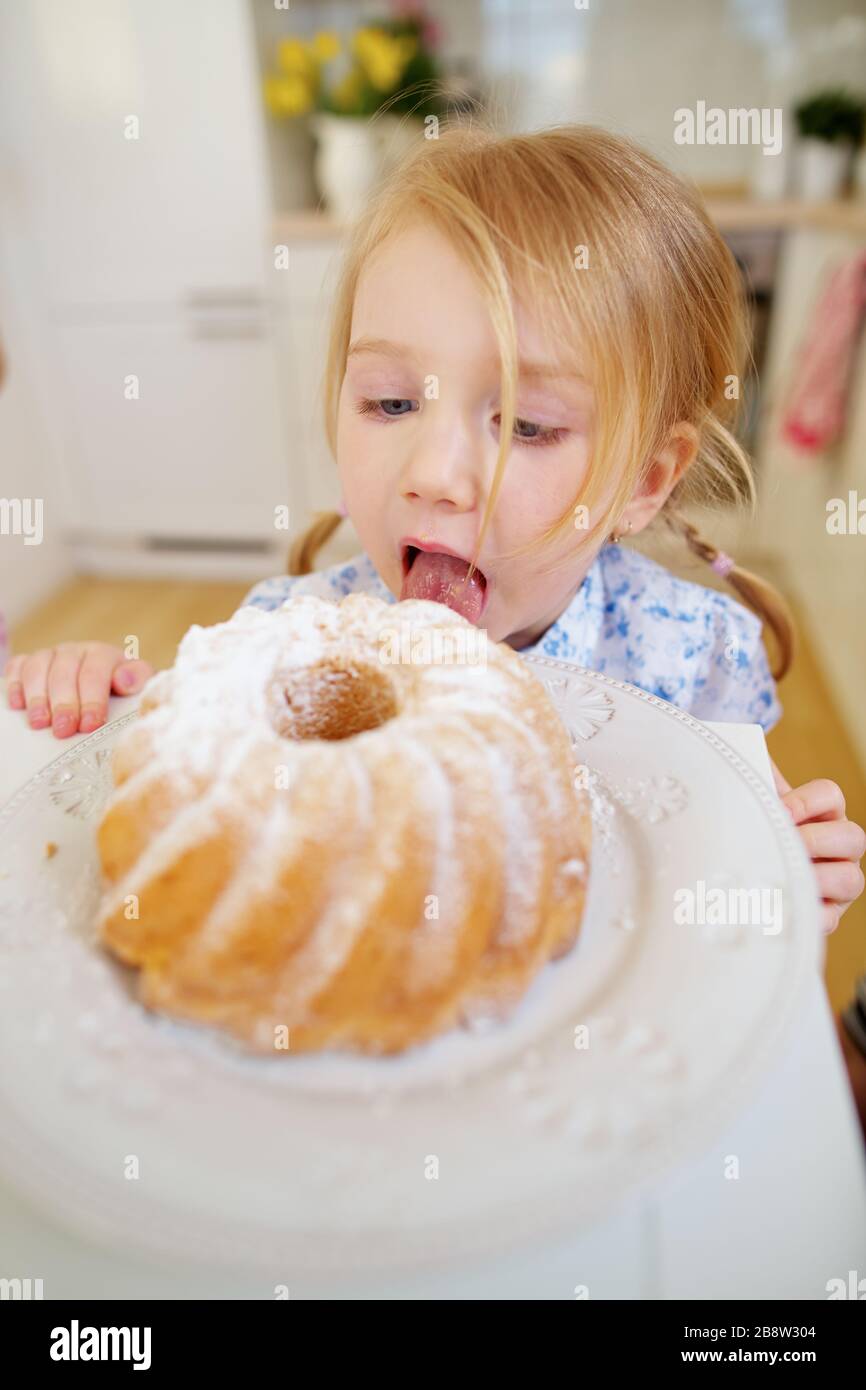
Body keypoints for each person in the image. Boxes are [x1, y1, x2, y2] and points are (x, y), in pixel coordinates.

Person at [4, 122, 864, 938]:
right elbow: (210, 792)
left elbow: (714, 875)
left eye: (527, 425)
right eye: (389, 402)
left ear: (644, 480)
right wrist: (94, 698)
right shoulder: (283, 639)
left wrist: (778, 878)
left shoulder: (695, 658)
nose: (431, 475)